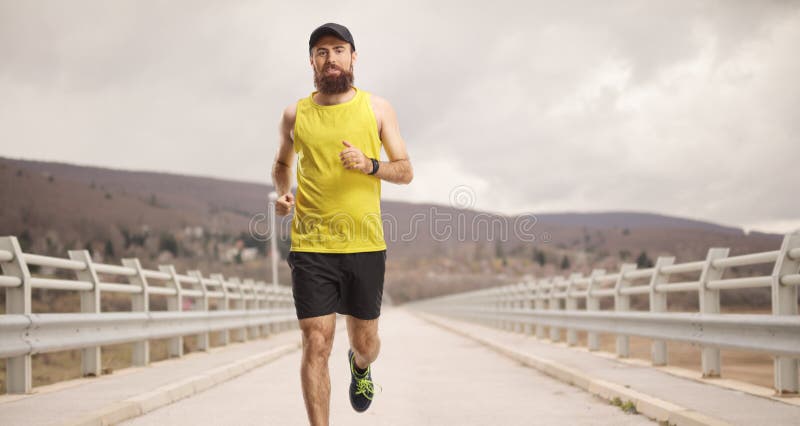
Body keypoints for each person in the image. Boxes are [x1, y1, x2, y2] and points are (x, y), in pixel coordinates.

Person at [271, 22, 413, 426]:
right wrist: (283, 193)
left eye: (337, 49)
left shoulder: (377, 109)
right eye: (320, 52)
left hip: (365, 246)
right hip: (312, 246)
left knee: (365, 343)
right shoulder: (295, 114)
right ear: (311, 62)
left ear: (353, 57)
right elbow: (282, 164)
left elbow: (405, 170)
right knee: (316, 341)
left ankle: (361, 366)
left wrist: (369, 165)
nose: (329, 57)